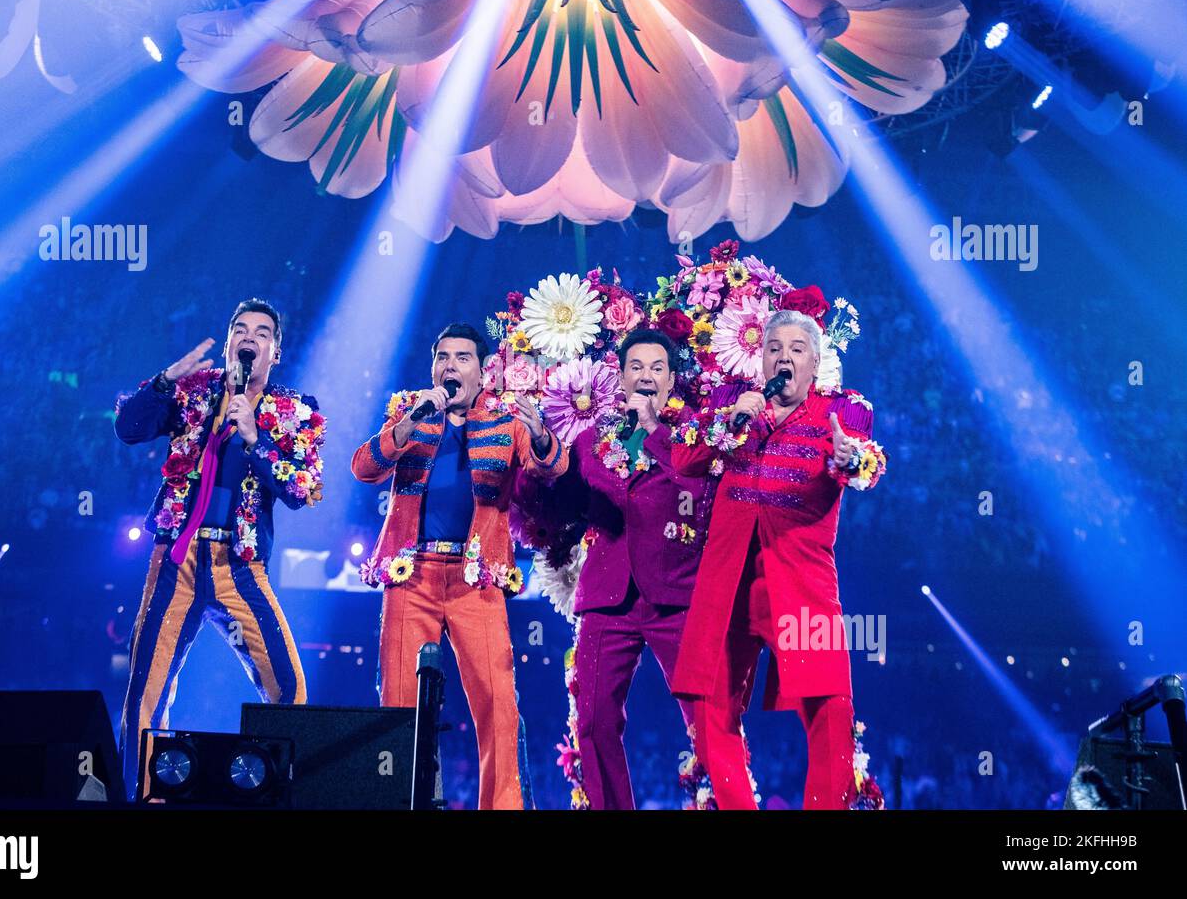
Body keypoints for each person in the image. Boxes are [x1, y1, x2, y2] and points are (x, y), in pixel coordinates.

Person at [669, 307, 887, 809]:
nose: (783, 357)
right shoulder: (735, 406)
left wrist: (850, 458)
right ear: (760, 359)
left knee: (831, 708)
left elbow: (867, 461)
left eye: (796, 349)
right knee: (708, 706)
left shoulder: (842, 410)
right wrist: (732, 419)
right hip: (729, 582)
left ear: (815, 362)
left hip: (802, 580)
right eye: (773, 348)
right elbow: (684, 459)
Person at [351, 322, 568, 810]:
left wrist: (540, 436)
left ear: (482, 370)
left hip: (476, 581)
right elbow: (364, 468)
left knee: (498, 706)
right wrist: (406, 425)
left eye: (461, 358)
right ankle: (399, 803)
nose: (450, 366)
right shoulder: (411, 416)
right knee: (401, 706)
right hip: (412, 577)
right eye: (442, 357)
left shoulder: (506, 421)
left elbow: (551, 471)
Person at [114, 299, 324, 800]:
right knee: (144, 695)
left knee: (289, 692)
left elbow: (301, 489)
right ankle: (142, 797)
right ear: (230, 341)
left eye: (262, 333)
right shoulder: (192, 393)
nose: (249, 338)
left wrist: (256, 439)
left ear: (276, 351)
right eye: (240, 329)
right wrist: (164, 380)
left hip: (239, 566)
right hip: (177, 563)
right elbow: (128, 428)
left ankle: (276, 795)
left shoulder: (293, 411)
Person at [547, 328, 717, 809]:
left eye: (657, 368)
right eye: (636, 368)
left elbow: (695, 488)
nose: (646, 377)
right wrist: (543, 448)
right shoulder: (590, 440)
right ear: (620, 378)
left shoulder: (692, 437)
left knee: (707, 716)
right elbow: (565, 502)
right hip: (608, 597)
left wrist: (656, 433)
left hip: (676, 595)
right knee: (595, 719)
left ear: (672, 380)